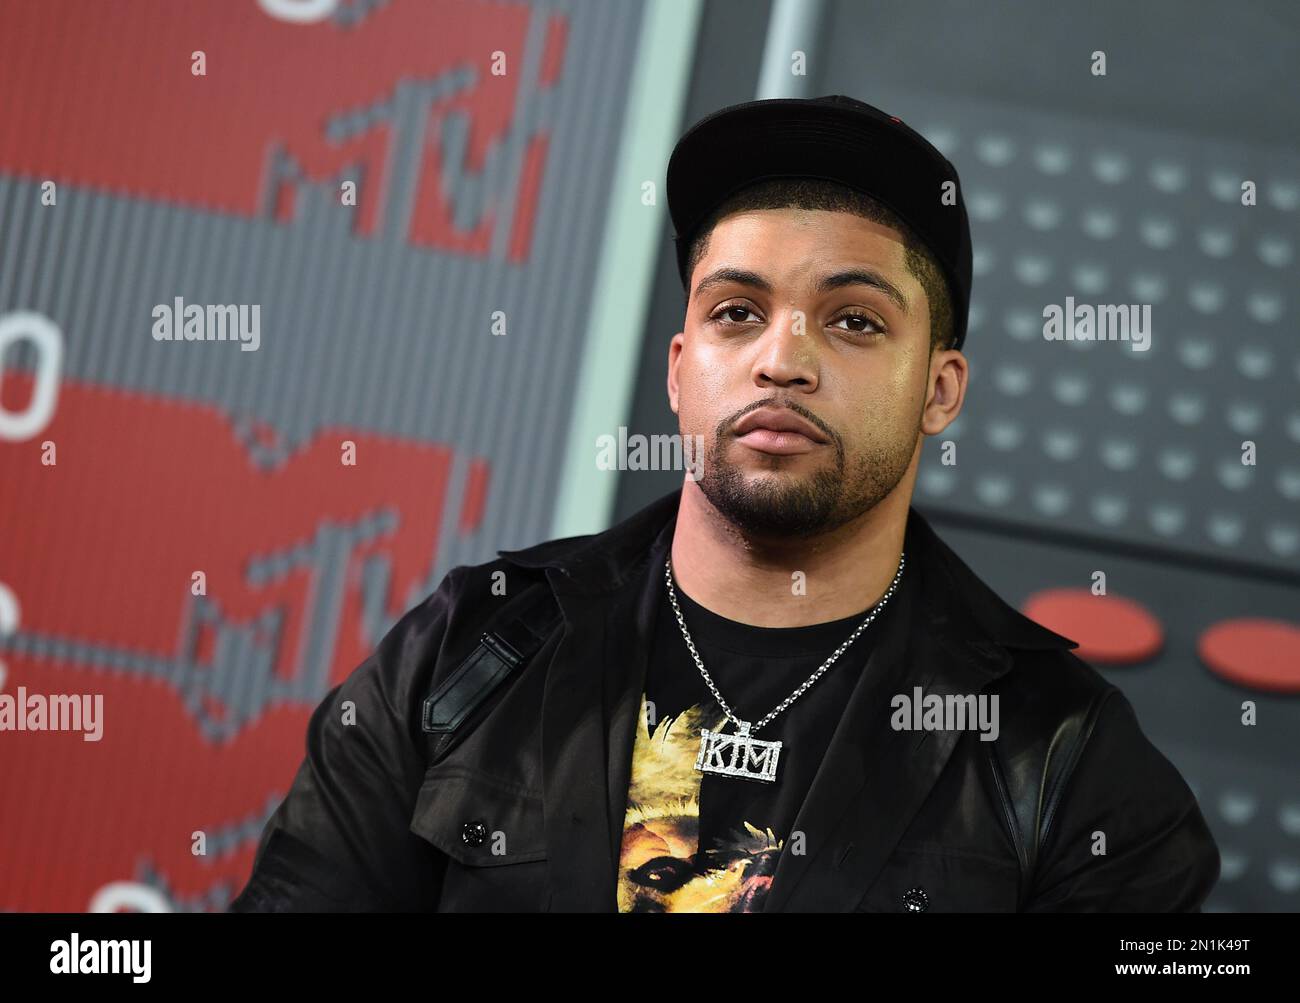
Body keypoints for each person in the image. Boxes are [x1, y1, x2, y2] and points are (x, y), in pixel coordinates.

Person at [230, 95, 1220, 913]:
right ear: (678, 368)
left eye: (854, 321)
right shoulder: (473, 648)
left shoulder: (1059, 757)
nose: (781, 360)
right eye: (736, 312)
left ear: (939, 390)